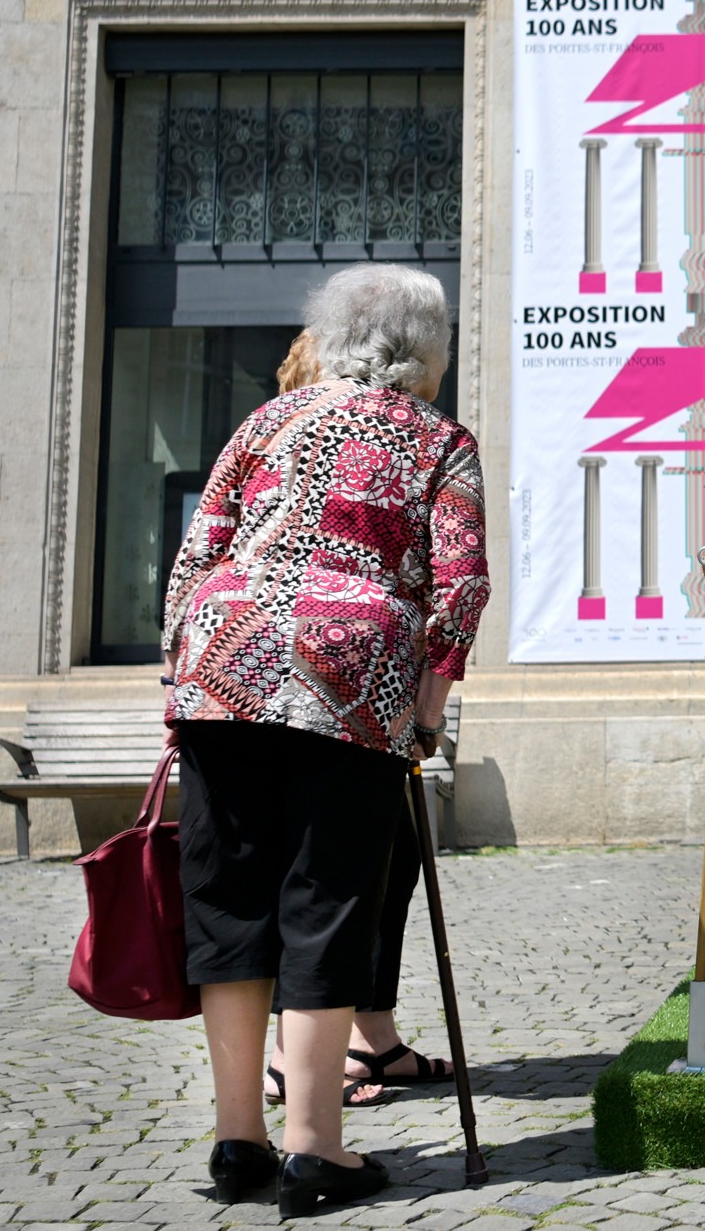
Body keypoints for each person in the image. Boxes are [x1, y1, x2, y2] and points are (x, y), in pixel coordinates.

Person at [162, 264, 489, 1214]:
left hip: (222, 669)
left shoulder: (264, 421)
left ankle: (238, 1141)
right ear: (428, 351)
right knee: (325, 898)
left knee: (228, 899)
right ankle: (314, 1148)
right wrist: (426, 713)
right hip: (352, 683)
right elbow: (459, 588)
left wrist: (182, 681)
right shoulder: (438, 439)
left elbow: (197, 556)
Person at [260, 330, 456, 1106]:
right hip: (311, 689)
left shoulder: (405, 442)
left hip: (379, 689)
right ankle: (296, 1055)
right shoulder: (289, 438)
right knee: (316, 872)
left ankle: (373, 1034)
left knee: (391, 859)